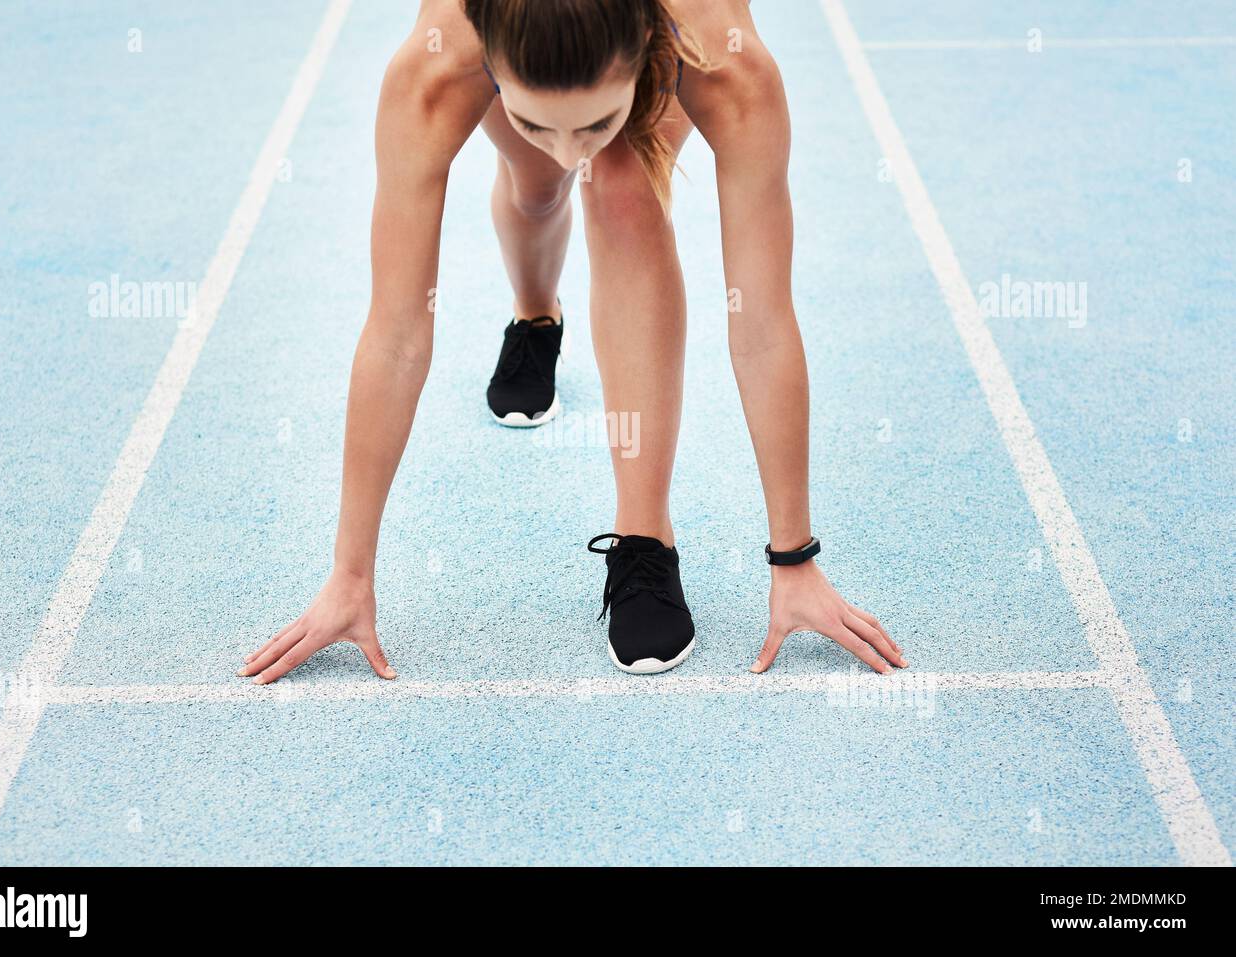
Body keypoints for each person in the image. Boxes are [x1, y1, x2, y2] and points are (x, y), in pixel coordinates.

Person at [240, 0, 907, 683]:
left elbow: (761, 322)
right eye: (534, 122)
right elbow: (397, 331)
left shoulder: (728, 65)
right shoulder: (433, 72)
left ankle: (644, 535)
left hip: (658, 52)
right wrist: (349, 574)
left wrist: (794, 559)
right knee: (539, 188)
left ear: (650, 48)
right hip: (529, 65)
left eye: (595, 120)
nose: (568, 149)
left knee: (618, 185)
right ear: (490, 61)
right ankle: (536, 315)